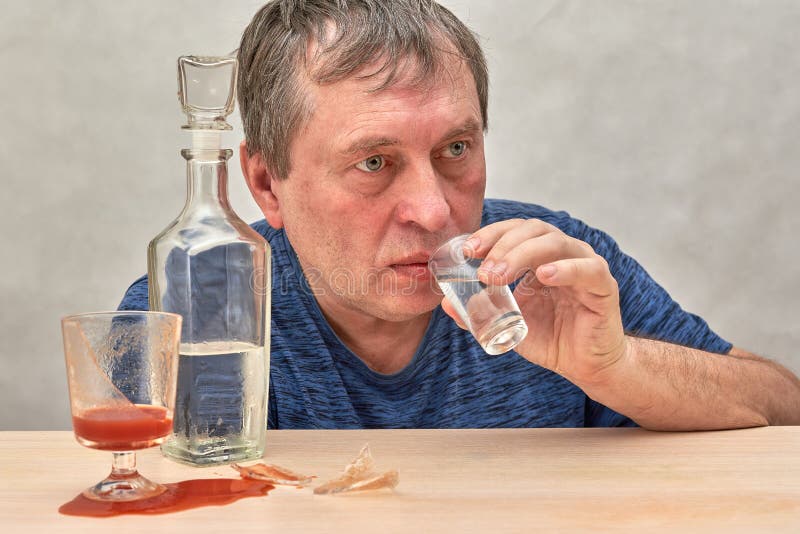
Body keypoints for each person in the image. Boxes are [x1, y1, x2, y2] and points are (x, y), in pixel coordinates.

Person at [120, 0, 800, 430]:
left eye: (455, 148)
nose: (434, 209)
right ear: (267, 183)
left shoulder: (551, 269)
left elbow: (782, 404)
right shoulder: (196, 305)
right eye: (374, 162)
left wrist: (616, 366)